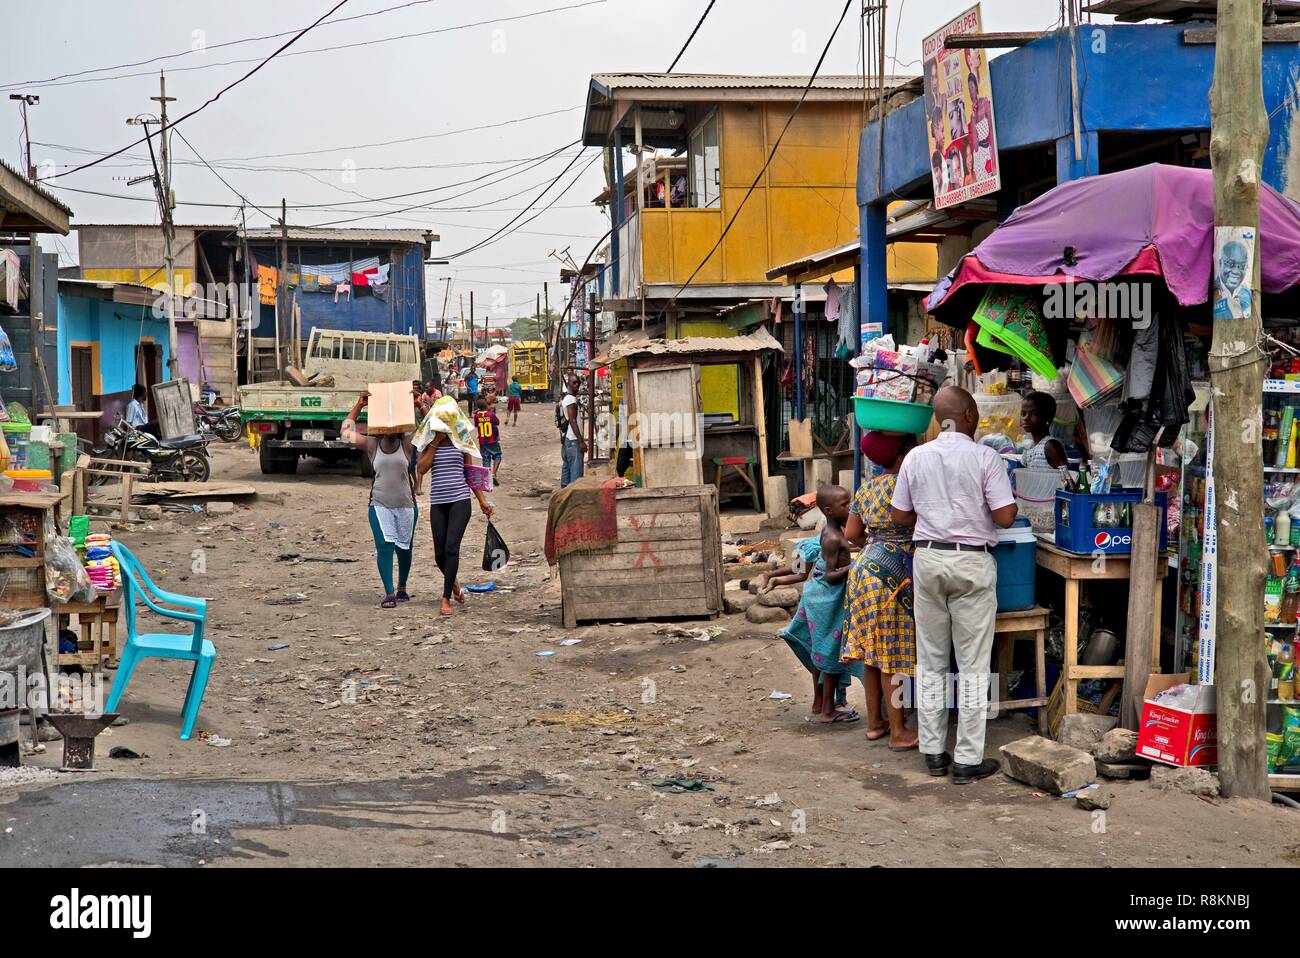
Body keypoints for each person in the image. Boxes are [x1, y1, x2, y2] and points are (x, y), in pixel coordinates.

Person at [891, 386, 1017, 784]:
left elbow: (898, 516)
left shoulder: (916, 456)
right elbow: (1006, 517)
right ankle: (966, 760)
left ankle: (932, 753)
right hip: (971, 562)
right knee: (973, 665)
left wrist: (935, 518)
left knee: (930, 660)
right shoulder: (986, 457)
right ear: (966, 415)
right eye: (976, 412)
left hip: (928, 559)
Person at [842, 432, 919, 750]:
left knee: (872, 655)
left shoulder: (866, 488)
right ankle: (899, 732)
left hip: (862, 571)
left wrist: (876, 544)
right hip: (892, 576)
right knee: (891, 656)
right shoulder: (907, 484)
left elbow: (851, 534)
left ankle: (876, 723)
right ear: (901, 455)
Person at [778, 485, 862, 724]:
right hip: (827, 599)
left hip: (817, 596)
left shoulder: (831, 530)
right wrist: (855, 566)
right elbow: (831, 575)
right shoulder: (834, 538)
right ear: (829, 509)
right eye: (845, 504)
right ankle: (828, 710)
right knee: (831, 653)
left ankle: (819, 702)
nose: (851, 507)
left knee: (820, 651)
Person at [415, 396, 494, 616]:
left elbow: (469, 473)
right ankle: (455, 583)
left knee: (451, 548)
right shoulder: (430, 439)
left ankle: (445, 597)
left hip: (460, 500)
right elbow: (421, 469)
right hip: (438, 501)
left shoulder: (462, 439)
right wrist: (435, 442)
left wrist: (482, 501)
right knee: (439, 555)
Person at [343, 389, 419, 609]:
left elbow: (431, 427)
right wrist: (359, 406)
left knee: (405, 548)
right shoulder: (372, 444)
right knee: (384, 547)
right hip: (379, 505)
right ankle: (389, 592)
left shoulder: (407, 444)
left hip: (406, 505)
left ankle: (402, 586)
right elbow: (346, 434)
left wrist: (416, 405)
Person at [1020, 391, 1068, 468]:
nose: (1026, 418)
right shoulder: (1029, 448)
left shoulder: (1050, 445)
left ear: (1047, 417)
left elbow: (1066, 476)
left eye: (1034, 413)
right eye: (1023, 414)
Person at [558, 371, 586, 487]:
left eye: (578, 383)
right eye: (574, 382)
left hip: (568, 440)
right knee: (576, 479)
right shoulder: (571, 400)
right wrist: (581, 441)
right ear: (568, 384)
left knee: (566, 474)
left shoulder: (567, 399)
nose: (577, 385)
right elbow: (573, 420)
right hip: (573, 441)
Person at [473, 395, 502, 486]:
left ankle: (487, 478)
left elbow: (477, 425)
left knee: (486, 459)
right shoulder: (491, 415)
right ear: (486, 406)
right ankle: (494, 473)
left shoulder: (477, 416)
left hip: (483, 442)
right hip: (493, 440)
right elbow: (498, 423)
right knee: (497, 455)